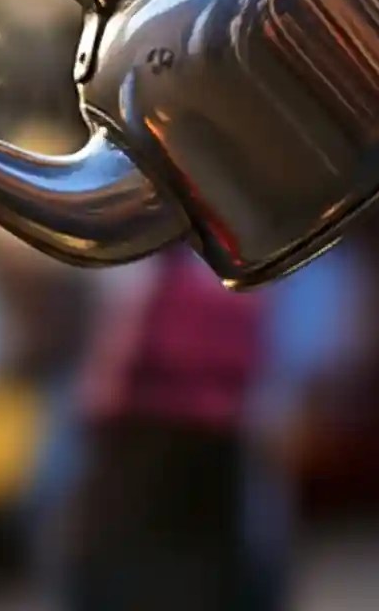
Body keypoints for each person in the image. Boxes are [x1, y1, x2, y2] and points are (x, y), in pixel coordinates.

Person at [67, 244, 268, 611]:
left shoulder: (165, 272)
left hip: (169, 451)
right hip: (186, 448)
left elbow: (107, 380)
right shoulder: (221, 266)